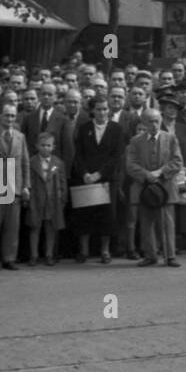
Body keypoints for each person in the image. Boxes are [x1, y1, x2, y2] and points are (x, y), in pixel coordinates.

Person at [125, 108, 183, 267]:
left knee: (167, 222)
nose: (154, 125)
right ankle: (150, 255)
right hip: (145, 188)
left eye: (157, 121)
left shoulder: (170, 139)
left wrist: (160, 172)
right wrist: (146, 175)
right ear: (143, 123)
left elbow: (177, 162)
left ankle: (170, 255)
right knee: (146, 222)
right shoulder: (135, 141)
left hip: (165, 187)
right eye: (150, 121)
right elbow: (130, 165)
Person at [71, 94, 121, 263]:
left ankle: (105, 251)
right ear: (92, 110)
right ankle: (83, 251)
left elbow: (116, 156)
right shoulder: (84, 128)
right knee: (85, 215)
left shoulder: (116, 128)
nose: (102, 112)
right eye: (99, 109)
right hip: (86, 179)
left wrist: (99, 174)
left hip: (106, 179)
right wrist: (85, 174)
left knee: (107, 216)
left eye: (105, 109)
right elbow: (78, 154)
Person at [0, 104, 30, 271]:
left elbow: (25, 162)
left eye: (12, 116)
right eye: (6, 115)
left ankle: (9, 258)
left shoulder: (20, 137)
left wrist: (26, 186)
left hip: (15, 187)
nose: (9, 119)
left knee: (12, 226)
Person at [26, 131, 67, 266]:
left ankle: (49, 254)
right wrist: (28, 198)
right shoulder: (31, 162)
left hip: (52, 200)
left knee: (50, 228)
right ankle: (34, 255)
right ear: (37, 146)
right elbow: (28, 181)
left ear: (53, 147)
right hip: (36, 200)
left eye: (49, 145)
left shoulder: (58, 163)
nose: (46, 148)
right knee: (34, 227)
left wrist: (62, 199)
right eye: (43, 145)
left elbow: (62, 183)